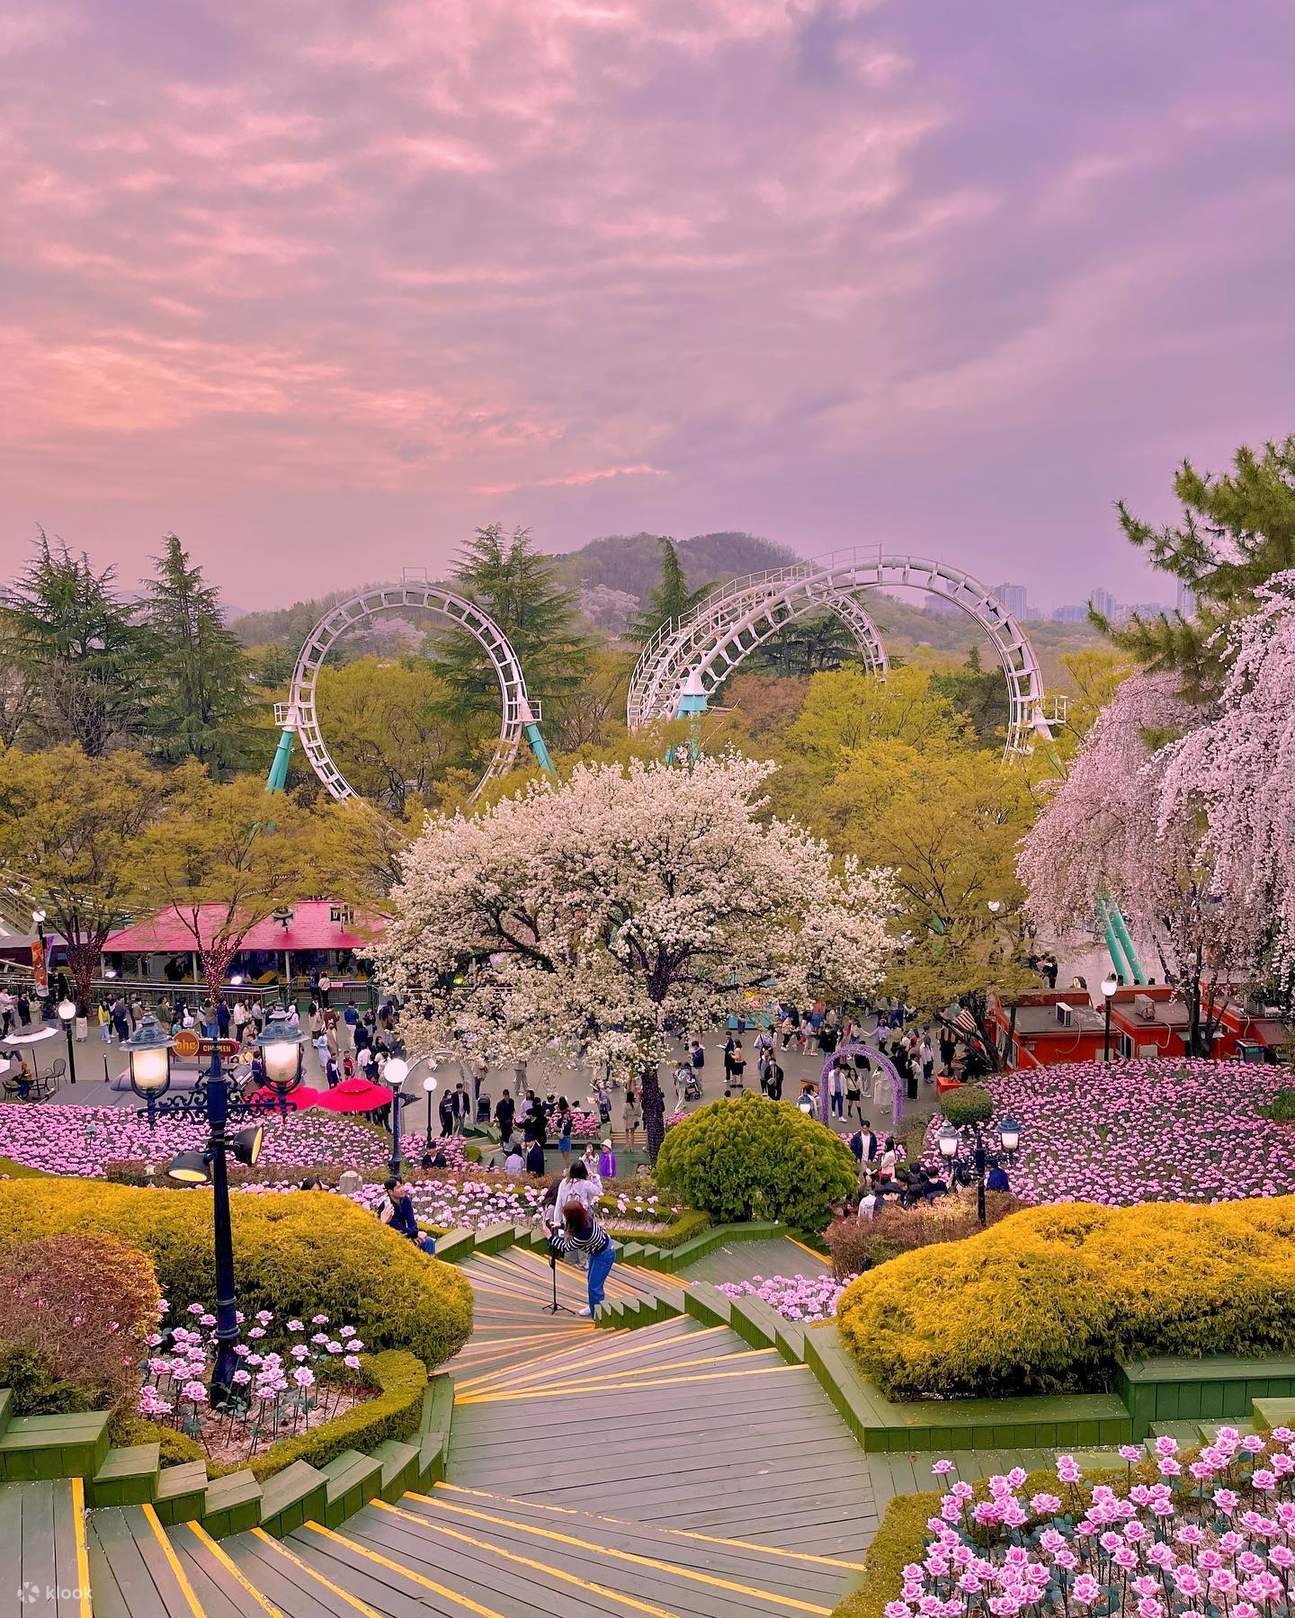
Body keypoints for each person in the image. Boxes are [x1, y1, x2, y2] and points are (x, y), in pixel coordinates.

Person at [549, 1200, 617, 1316]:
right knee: (591, 1282)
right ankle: (593, 1307)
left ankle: (598, 1315)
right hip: (597, 1251)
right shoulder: (586, 1218)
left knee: (595, 1286)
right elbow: (575, 1227)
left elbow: (566, 1247)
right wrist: (560, 1225)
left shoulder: (584, 1234)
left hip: (604, 1255)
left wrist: (549, 1236)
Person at [377, 1177, 436, 1253]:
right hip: (393, 1237)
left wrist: (415, 1233)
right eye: (398, 1187)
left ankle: (430, 1263)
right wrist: (415, 1234)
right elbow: (397, 1227)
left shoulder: (405, 1200)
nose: (402, 1189)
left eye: (402, 1185)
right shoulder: (387, 1206)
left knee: (429, 1242)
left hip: (406, 1234)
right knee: (423, 1242)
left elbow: (411, 1220)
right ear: (390, 1191)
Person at [622, 1083, 640, 1148]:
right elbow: (639, 1114)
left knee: (626, 1133)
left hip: (627, 1121)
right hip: (634, 1120)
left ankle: (627, 1145)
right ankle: (632, 1146)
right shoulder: (637, 1105)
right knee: (632, 1133)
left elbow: (624, 1115)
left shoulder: (625, 1105)